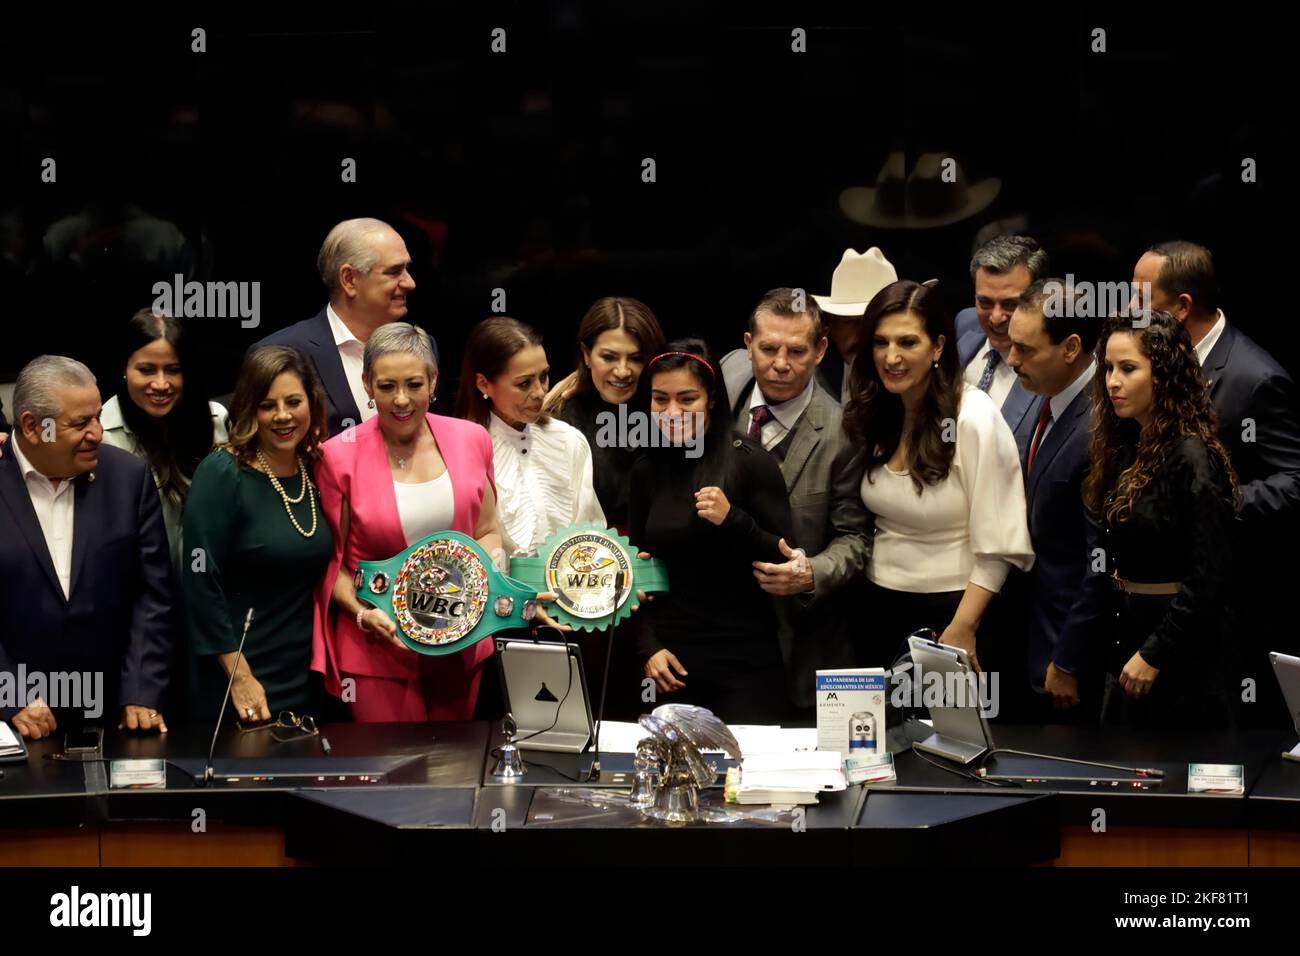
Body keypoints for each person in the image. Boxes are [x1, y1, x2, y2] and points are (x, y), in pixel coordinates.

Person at [1131, 240, 1300, 726]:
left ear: (1181, 307)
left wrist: (1213, 503)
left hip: (1233, 598)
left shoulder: (1256, 378)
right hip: (1166, 592)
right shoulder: (1155, 360)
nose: (1127, 310)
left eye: (1140, 298)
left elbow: (1294, 482)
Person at [313, 323, 509, 722]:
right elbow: (332, 565)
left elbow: (487, 530)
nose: (401, 400)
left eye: (414, 384)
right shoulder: (337, 456)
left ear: (434, 381)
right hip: (376, 650)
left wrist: (480, 584)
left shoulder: (472, 439)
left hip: (461, 642)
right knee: (392, 777)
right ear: (367, 384)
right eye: (386, 387)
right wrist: (364, 615)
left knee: (454, 772)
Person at [846, 280, 1034, 672]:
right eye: (881, 342)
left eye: (907, 342)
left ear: (937, 347)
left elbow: (1001, 545)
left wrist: (963, 627)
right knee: (877, 735)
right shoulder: (877, 410)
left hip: (954, 613)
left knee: (948, 735)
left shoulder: (974, 417)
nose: (891, 357)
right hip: (877, 608)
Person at [0, 356, 173, 737]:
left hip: (117, 719)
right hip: (14, 727)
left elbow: (152, 595)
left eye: (96, 416)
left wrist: (142, 688)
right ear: (33, 426)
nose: (97, 432)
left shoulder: (128, 478)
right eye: (80, 423)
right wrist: (9, 692)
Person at [718, 289, 872, 717]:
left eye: (797, 351)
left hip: (802, 645)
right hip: (719, 640)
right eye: (768, 348)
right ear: (747, 345)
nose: (780, 363)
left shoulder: (845, 431)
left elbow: (855, 537)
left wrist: (810, 573)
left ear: (821, 350)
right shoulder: (721, 388)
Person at [1083, 312, 1239, 730]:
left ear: (1165, 374)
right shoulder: (1128, 445)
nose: (1112, 381)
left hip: (1180, 651)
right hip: (1128, 630)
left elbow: (1211, 576)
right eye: (1109, 368)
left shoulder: (1192, 456)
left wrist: (1156, 651)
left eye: (1128, 369)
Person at [630, 338, 795, 724]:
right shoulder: (645, 470)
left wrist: (733, 518)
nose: (672, 412)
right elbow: (634, 571)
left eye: (687, 399)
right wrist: (648, 647)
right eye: (660, 399)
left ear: (712, 399)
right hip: (672, 660)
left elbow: (785, 560)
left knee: (747, 779)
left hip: (747, 660)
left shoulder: (750, 462)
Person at [184, 346, 333, 721]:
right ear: (250, 409)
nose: (283, 416)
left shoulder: (315, 468)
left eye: (293, 402)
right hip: (239, 679)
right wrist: (240, 677)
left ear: (311, 404)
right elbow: (199, 582)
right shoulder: (223, 473)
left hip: (306, 675)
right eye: (268, 405)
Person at [1005, 279, 1109, 720]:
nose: (1012, 361)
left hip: (1069, 655)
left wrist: (1069, 659)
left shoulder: (1106, 425)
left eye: (1025, 350)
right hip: (1024, 636)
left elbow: (1101, 563)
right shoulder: (1036, 393)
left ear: (1070, 348)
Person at [253, 218, 425, 436]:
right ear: (349, 279)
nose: (410, 283)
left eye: (407, 269)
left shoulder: (420, 346)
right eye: (394, 272)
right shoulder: (280, 352)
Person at [455, 317, 604, 557]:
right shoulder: (461, 452)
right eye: (524, 383)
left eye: (543, 377)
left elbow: (591, 533)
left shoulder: (569, 440)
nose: (539, 392)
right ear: (484, 384)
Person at [100, 308, 229, 569]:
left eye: (172, 370)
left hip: (206, 580)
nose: (161, 384)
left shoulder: (215, 421)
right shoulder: (100, 434)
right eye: (146, 370)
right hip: (138, 588)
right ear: (125, 368)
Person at [543, 297, 666, 530]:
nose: (622, 371)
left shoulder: (671, 413)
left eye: (636, 358)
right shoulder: (557, 417)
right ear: (587, 355)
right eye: (608, 357)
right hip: (581, 557)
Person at [955, 235, 1048, 448]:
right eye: (985, 302)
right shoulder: (964, 324)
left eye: (1011, 304)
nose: (996, 318)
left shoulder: (1051, 366)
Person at [809, 247, 899, 404]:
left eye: (872, 320)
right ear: (830, 326)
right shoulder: (811, 378)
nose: (862, 333)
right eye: (849, 321)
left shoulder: (916, 387)